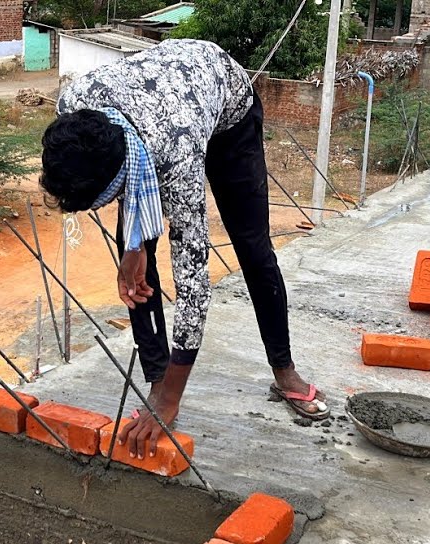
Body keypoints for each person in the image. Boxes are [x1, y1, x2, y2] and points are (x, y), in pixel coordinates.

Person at [40, 39, 328, 459]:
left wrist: (172, 400)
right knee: (133, 261)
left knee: (253, 248)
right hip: (160, 107)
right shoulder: (73, 107)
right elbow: (127, 188)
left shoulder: (176, 158)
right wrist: (135, 245)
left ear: (123, 175)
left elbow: (194, 285)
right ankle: (155, 377)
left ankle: (284, 370)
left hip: (225, 113)